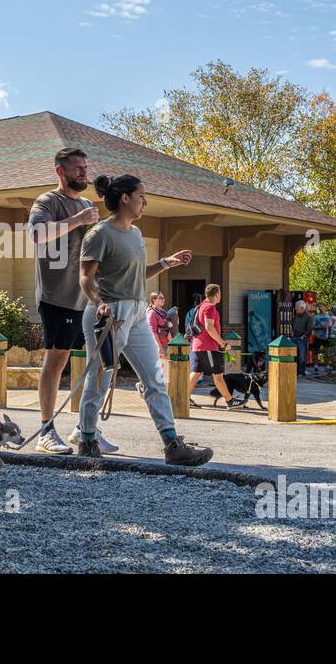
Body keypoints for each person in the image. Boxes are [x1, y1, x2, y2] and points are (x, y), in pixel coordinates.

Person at [77, 173, 213, 466]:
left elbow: (137, 277)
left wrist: (167, 262)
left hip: (138, 312)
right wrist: (99, 304)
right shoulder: (98, 234)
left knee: (154, 378)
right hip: (109, 314)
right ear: (125, 198)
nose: (145, 202)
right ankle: (87, 440)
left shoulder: (136, 234)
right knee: (100, 379)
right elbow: (86, 278)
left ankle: (172, 444)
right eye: (142, 196)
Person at [27, 147, 117, 455]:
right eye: (77, 168)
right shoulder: (48, 201)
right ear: (60, 171)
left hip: (89, 298)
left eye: (85, 167)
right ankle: (45, 430)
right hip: (58, 297)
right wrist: (78, 219)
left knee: (100, 363)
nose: (83, 172)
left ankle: (85, 429)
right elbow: (38, 235)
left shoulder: (88, 204)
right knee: (58, 360)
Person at [187, 284, 237, 409]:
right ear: (216, 294)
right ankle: (230, 401)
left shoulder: (201, 305)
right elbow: (210, 327)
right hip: (207, 346)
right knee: (218, 376)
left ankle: (182, 398)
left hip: (198, 345)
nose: (221, 295)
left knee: (196, 373)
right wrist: (223, 343)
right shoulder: (210, 307)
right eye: (220, 293)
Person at [290, 300, 312, 377]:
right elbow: (293, 325)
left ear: (302, 307)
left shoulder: (308, 316)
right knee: (293, 355)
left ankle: (301, 372)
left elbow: (309, 329)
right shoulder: (296, 315)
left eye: (296, 307)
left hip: (302, 338)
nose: (295, 309)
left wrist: (304, 336)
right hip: (294, 337)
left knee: (302, 356)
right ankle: (295, 371)